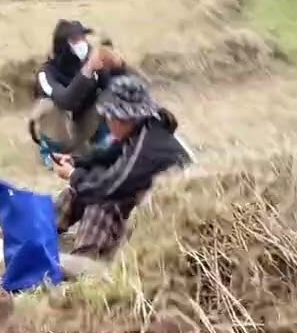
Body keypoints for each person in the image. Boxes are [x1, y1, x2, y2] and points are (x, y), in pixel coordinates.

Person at [50, 74, 192, 260]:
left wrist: (73, 175)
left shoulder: (147, 147)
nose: (108, 123)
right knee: (90, 178)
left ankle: (85, 262)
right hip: (152, 201)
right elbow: (111, 154)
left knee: (101, 198)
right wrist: (76, 162)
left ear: (123, 118)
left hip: (169, 217)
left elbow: (108, 188)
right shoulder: (145, 128)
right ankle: (43, 228)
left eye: (109, 117)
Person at [27, 19, 128, 167]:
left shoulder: (91, 62)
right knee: (48, 105)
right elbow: (65, 100)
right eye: (75, 40)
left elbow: (115, 88)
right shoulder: (46, 73)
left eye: (83, 38)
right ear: (63, 45)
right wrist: (87, 71)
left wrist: (118, 67)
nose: (82, 44)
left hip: (84, 126)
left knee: (109, 97)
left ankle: (104, 145)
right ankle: (53, 152)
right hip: (60, 129)